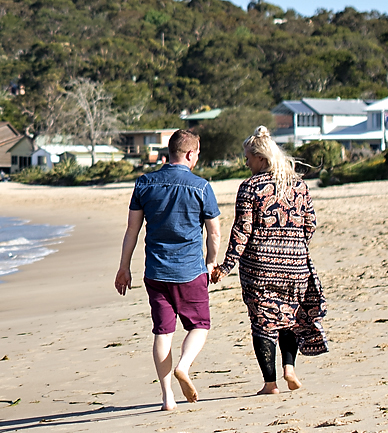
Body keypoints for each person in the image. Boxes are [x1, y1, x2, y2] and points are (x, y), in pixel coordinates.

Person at [212, 125, 327, 395]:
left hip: (259, 266)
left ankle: (270, 383)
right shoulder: (298, 185)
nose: (246, 163)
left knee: (263, 320)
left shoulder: (250, 187)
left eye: (248, 159)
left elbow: (242, 230)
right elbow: (310, 224)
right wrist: (293, 247)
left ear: (261, 158)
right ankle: (290, 368)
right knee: (289, 317)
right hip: (296, 264)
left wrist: (226, 267)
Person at [114, 128, 222, 411]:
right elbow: (214, 234)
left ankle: (167, 398)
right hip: (190, 271)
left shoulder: (144, 184)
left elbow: (132, 231)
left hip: (156, 272)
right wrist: (211, 261)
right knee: (199, 325)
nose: (197, 157)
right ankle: (184, 366)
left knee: (163, 333)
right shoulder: (201, 187)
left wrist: (123, 268)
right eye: (197, 153)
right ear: (189, 154)